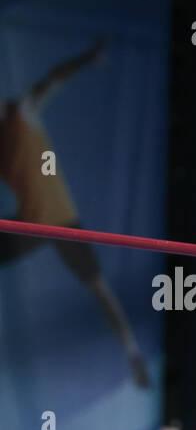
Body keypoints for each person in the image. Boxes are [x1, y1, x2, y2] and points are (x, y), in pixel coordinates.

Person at [0, 39, 148, 387]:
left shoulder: (21, 112)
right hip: (31, 226)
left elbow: (54, 79)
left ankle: (133, 354)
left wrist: (87, 58)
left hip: (64, 223)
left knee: (99, 289)